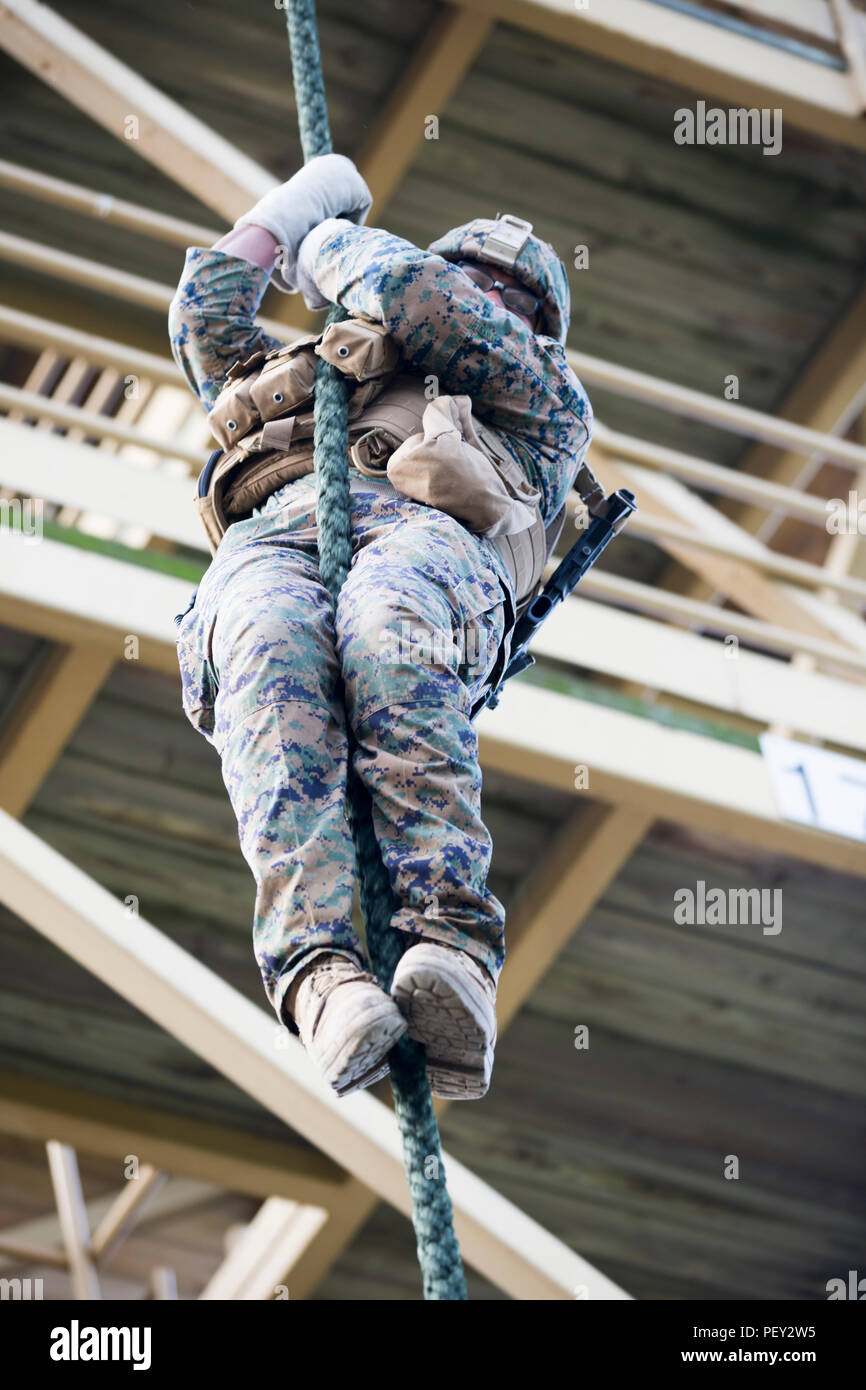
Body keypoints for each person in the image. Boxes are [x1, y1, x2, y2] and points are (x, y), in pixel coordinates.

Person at [168, 153, 592, 1101]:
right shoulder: (328, 368)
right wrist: (285, 217)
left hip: (428, 552)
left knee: (384, 625)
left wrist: (328, 243)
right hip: (279, 545)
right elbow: (203, 322)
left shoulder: (546, 406)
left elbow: (413, 291)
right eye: (478, 277)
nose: (489, 298)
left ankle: (451, 945)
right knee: (264, 641)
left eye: (512, 296)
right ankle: (318, 973)